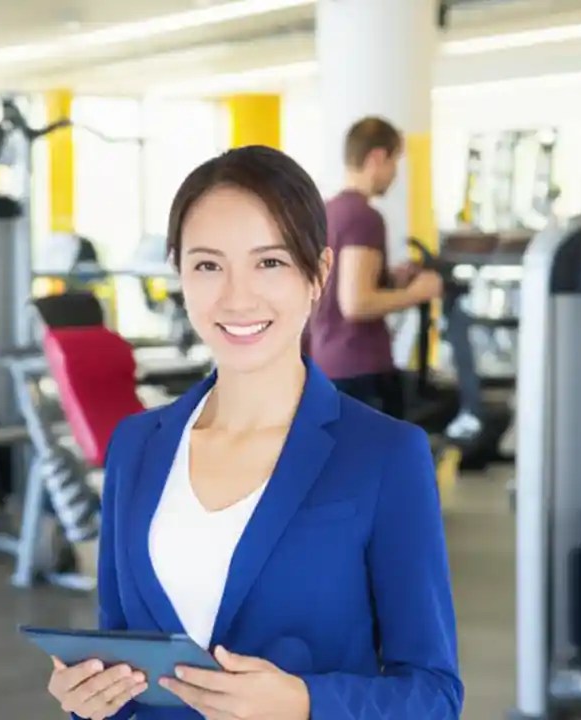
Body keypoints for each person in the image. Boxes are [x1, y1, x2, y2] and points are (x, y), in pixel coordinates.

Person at [45, 146, 462, 720]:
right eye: (208, 265)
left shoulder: (385, 454)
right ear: (180, 274)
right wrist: (90, 703)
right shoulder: (136, 446)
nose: (238, 297)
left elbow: (435, 695)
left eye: (270, 263)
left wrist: (307, 703)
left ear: (317, 273)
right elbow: (125, 665)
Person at [307, 117, 444, 419]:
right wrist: (419, 292)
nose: (395, 174)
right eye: (395, 161)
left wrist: (391, 279)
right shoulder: (363, 216)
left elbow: (339, 286)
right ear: (377, 158)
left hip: (327, 366)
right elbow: (356, 303)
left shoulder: (327, 212)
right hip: (360, 371)